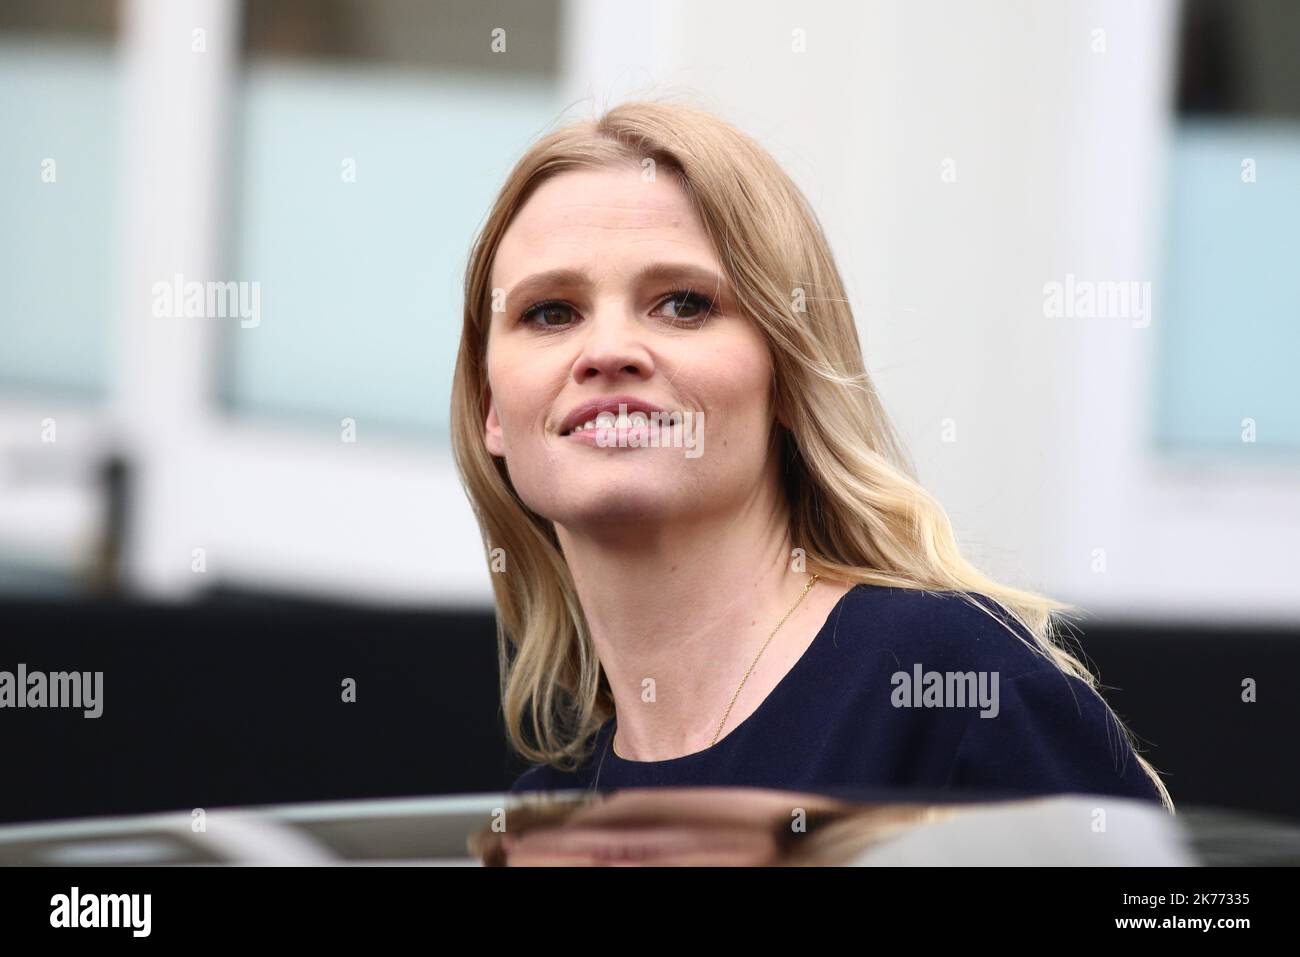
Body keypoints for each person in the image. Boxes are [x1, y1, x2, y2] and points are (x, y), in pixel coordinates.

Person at [449, 98, 1172, 811]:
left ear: (788, 377)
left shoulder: (949, 687)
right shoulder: (542, 820)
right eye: (550, 312)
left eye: (682, 303)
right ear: (492, 410)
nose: (606, 351)